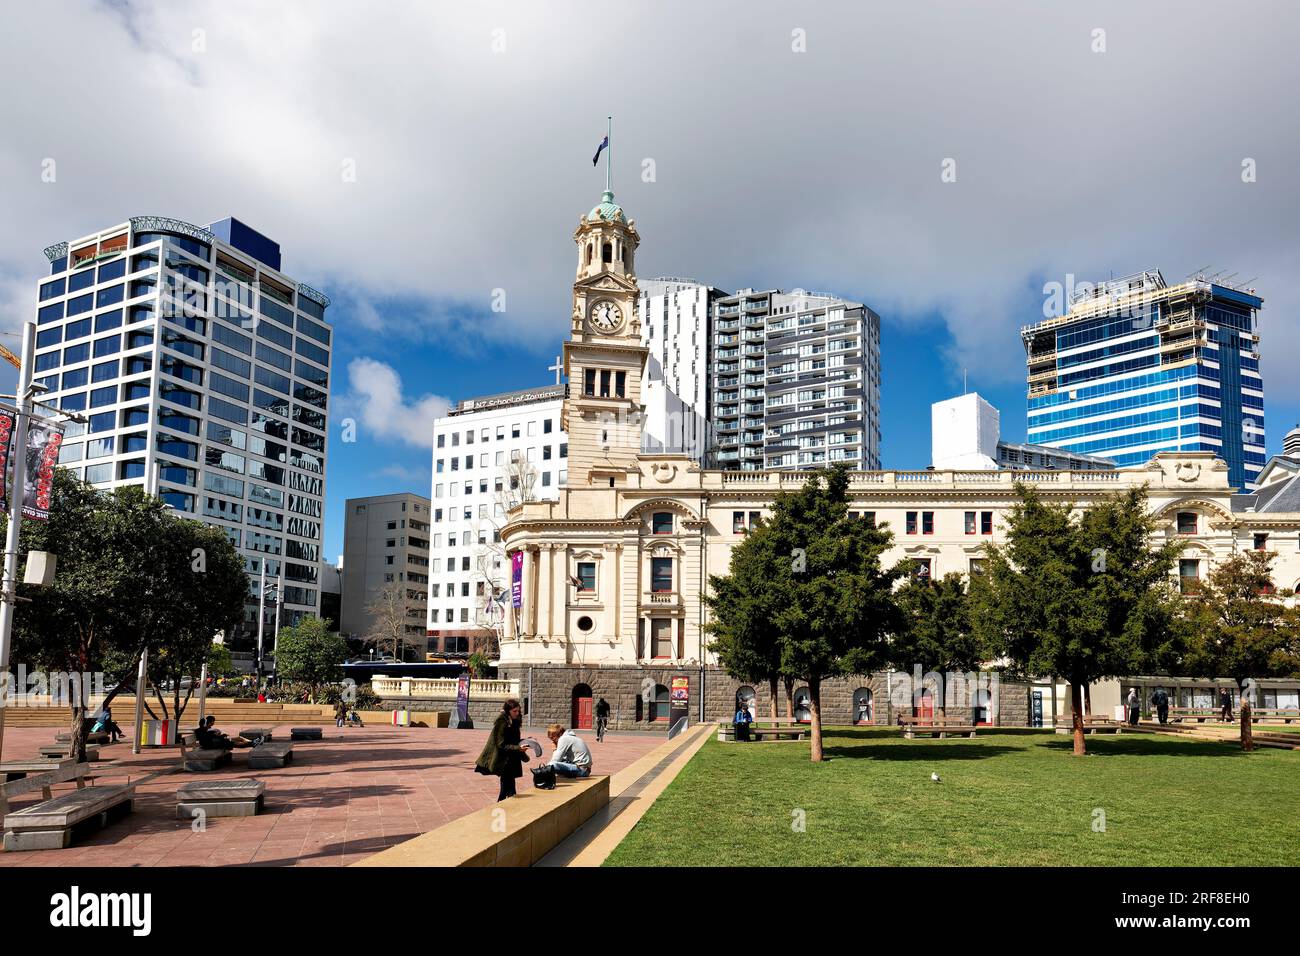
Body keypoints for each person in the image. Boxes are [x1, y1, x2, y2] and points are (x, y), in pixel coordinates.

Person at [474, 698, 529, 801]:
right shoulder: (502, 722)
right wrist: (518, 748)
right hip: (503, 758)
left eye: (518, 711)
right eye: (514, 711)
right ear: (508, 711)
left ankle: (508, 801)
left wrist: (525, 743)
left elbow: (513, 739)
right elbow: (500, 744)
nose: (517, 713)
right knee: (506, 784)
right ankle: (503, 803)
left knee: (509, 784)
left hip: (510, 757)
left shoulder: (514, 721)